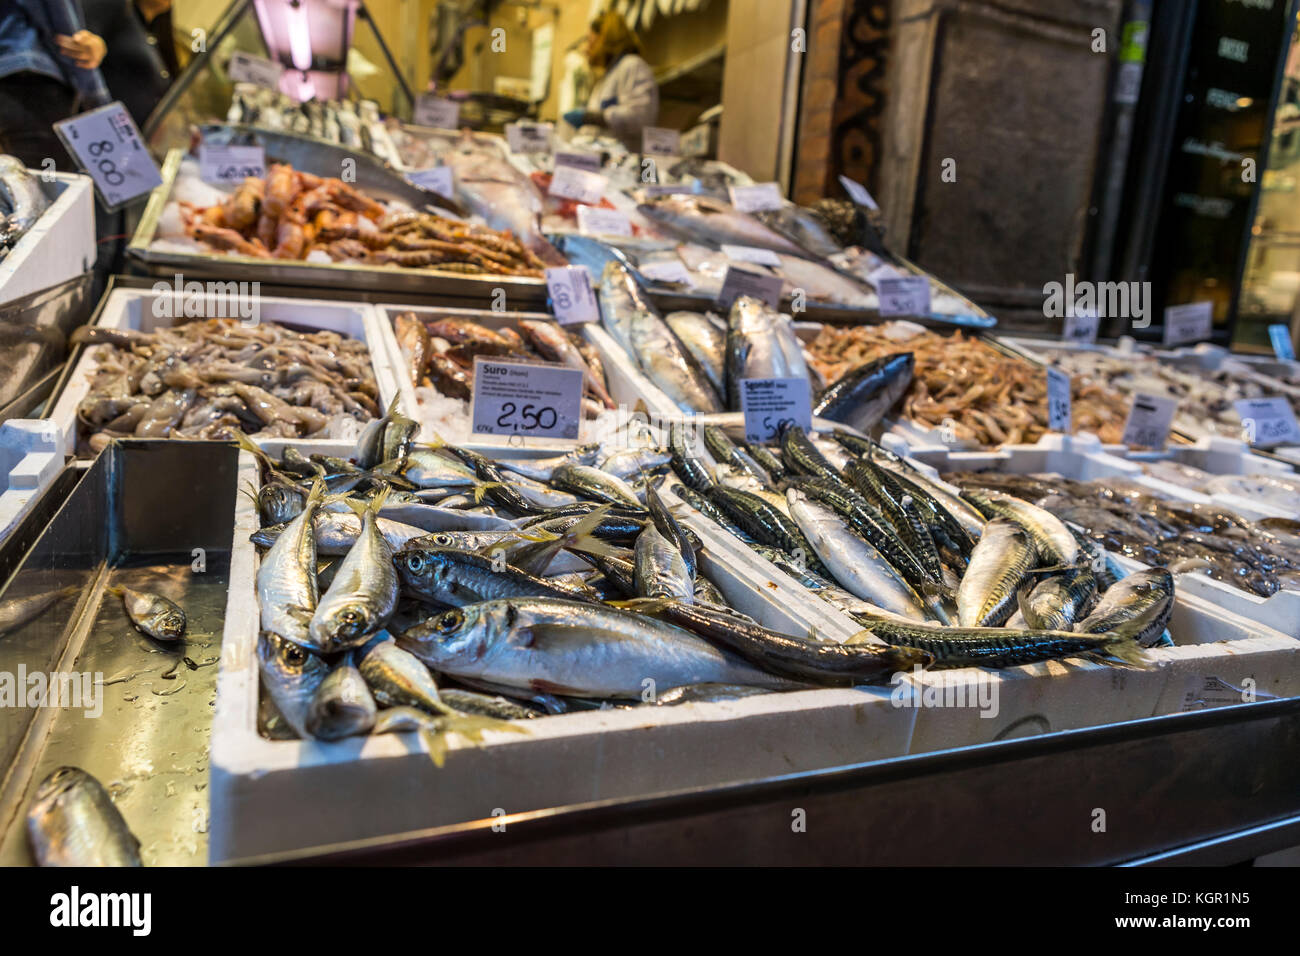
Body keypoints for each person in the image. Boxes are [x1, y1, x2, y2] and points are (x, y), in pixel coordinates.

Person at [0, 0, 110, 168]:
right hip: (29, 82)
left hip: (20, 76)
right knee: (48, 186)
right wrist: (96, 96)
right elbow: (67, 37)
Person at [562, 10, 658, 152]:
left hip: (625, 164)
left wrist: (592, 117)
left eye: (590, 40)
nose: (586, 48)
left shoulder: (632, 66)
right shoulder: (606, 78)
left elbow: (639, 117)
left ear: (605, 38)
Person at [82, 0, 178, 130]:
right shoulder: (115, 7)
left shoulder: (152, 34)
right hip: (94, 125)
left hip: (124, 137)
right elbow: (82, 41)